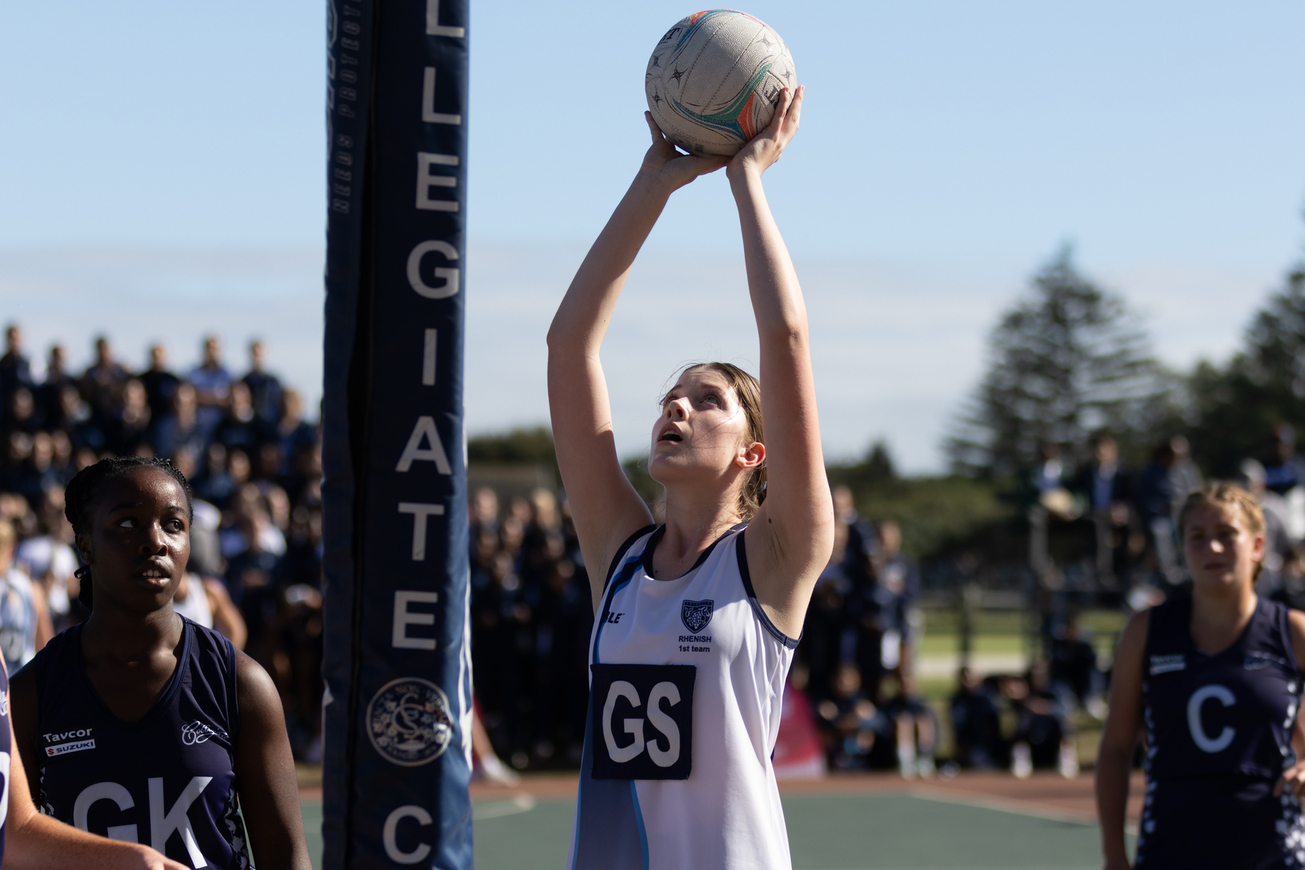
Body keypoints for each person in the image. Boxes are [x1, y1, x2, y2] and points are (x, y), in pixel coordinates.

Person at [548, 87, 833, 870]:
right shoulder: (621, 559)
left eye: (707, 401)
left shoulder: (774, 559)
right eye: (671, 396)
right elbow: (571, 345)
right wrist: (654, 182)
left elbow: (785, 338)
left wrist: (748, 182)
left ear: (753, 453)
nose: (676, 405)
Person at [10, 457, 311, 869]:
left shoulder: (240, 682)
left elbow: (287, 856)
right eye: (128, 523)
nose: (156, 541)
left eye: (173, 524)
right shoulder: (32, 692)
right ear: (86, 545)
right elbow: (10, 842)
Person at [1096, 483, 1305, 869]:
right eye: (1198, 537)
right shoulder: (1147, 631)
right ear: (1181, 549)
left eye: (1227, 535)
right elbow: (1115, 749)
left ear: (1257, 546)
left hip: (1272, 850)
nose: (1212, 548)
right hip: (1172, 848)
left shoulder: (1291, 631)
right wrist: (1113, 853)